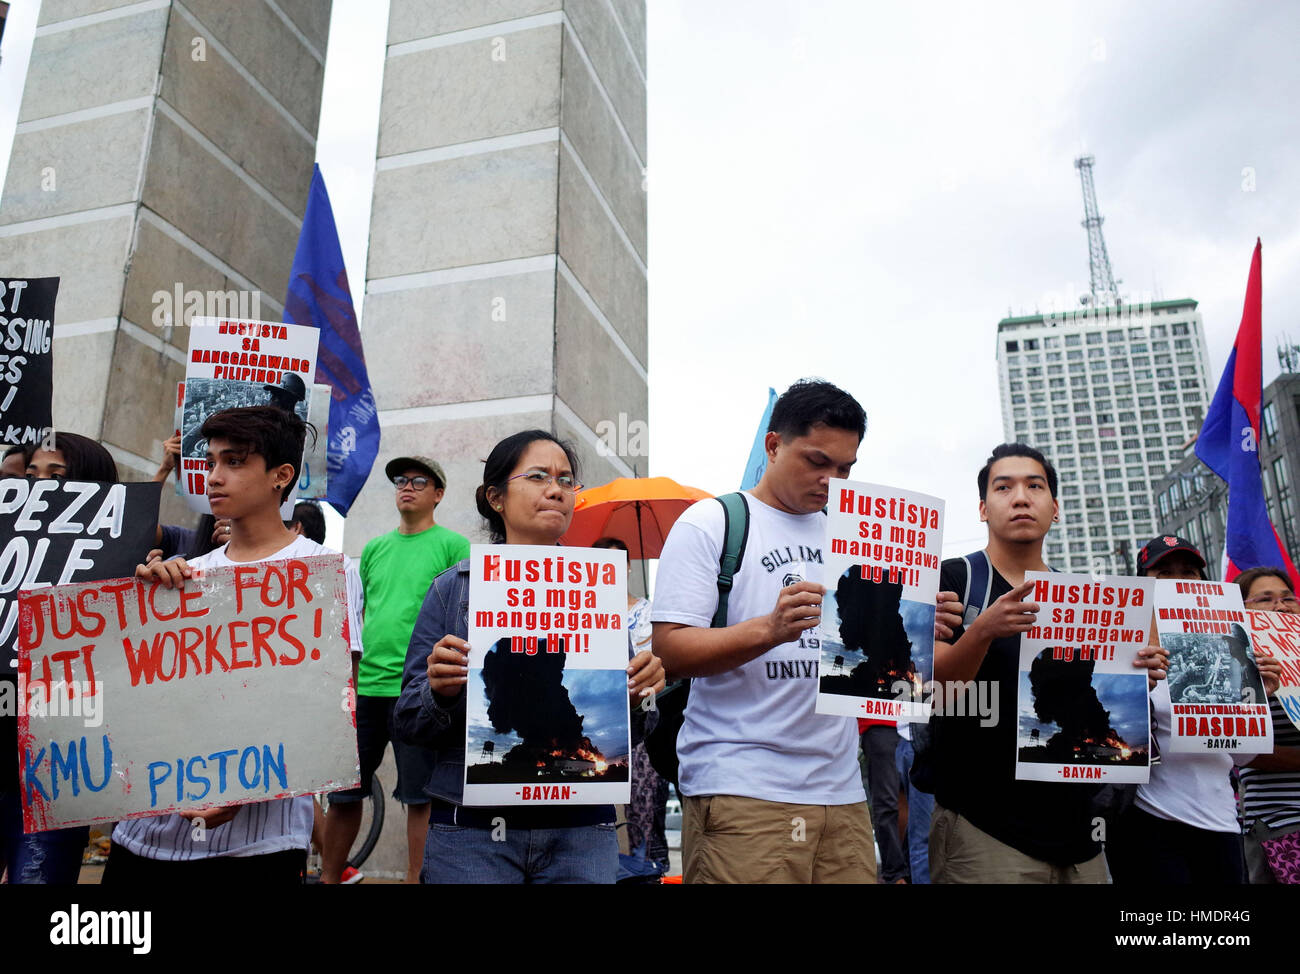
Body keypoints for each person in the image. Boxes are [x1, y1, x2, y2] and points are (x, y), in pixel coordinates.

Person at [652, 379, 955, 884]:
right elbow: (669, 650)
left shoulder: (858, 534)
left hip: (841, 792)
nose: (833, 481)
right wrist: (768, 630)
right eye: (817, 462)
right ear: (773, 446)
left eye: (845, 468)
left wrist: (922, 623)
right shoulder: (712, 523)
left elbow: (883, 663)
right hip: (741, 788)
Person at [393, 430, 665, 883]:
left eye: (566, 479)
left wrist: (641, 697)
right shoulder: (453, 588)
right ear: (495, 498)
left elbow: (633, 732)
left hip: (582, 830)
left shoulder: (597, 590)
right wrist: (437, 692)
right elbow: (406, 719)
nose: (556, 489)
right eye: (538, 476)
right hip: (472, 834)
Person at [104, 406, 349, 883]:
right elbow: (137, 700)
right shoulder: (184, 576)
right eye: (212, 461)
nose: (213, 477)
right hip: (145, 836)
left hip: (259, 844)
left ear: (282, 476)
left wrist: (244, 788)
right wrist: (141, 610)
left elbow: (331, 710)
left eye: (234, 462)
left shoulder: (326, 574)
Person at [929, 443, 1167, 884]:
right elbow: (930, 689)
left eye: (1034, 486)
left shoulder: (1083, 600)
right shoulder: (954, 580)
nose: (1021, 497)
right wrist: (983, 629)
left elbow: (1098, 698)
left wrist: (1142, 676)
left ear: (1054, 508)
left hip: (1079, 837)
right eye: (1004, 487)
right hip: (987, 831)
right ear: (983, 508)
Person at [322, 455, 468, 885]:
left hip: (420, 692)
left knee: (419, 799)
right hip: (366, 687)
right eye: (400, 480)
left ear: (438, 494)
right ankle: (329, 878)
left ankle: (413, 880)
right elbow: (364, 615)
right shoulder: (373, 549)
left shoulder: (453, 546)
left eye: (418, 481)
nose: (406, 486)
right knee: (344, 795)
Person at [1105, 537, 1282, 884]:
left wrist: (1256, 700)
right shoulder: (1124, 648)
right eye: (1164, 572)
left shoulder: (1230, 649)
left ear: (1203, 581)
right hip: (1148, 820)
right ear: (1145, 583)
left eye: (1188, 571)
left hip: (1220, 823)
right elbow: (1107, 743)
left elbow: (1245, 757)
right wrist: (1133, 688)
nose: (1178, 580)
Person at [1, 432, 126, 883]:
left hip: (57, 764)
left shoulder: (124, 565)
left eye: (57, 476)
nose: (38, 485)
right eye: (31, 474)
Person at [592, 536, 670, 872]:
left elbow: (658, 660)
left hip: (641, 714)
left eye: (614, 562)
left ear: (625, 567)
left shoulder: (648, 611)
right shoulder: (584, 611)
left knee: (644, 802)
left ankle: (649, 869)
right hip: (601, 717)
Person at [1232, 566, 1300, 883]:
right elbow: (1242, 749)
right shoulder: (1236, 666)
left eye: (1288, 598)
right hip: (1281, 822)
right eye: (1265, 599)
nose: (1280, 606)